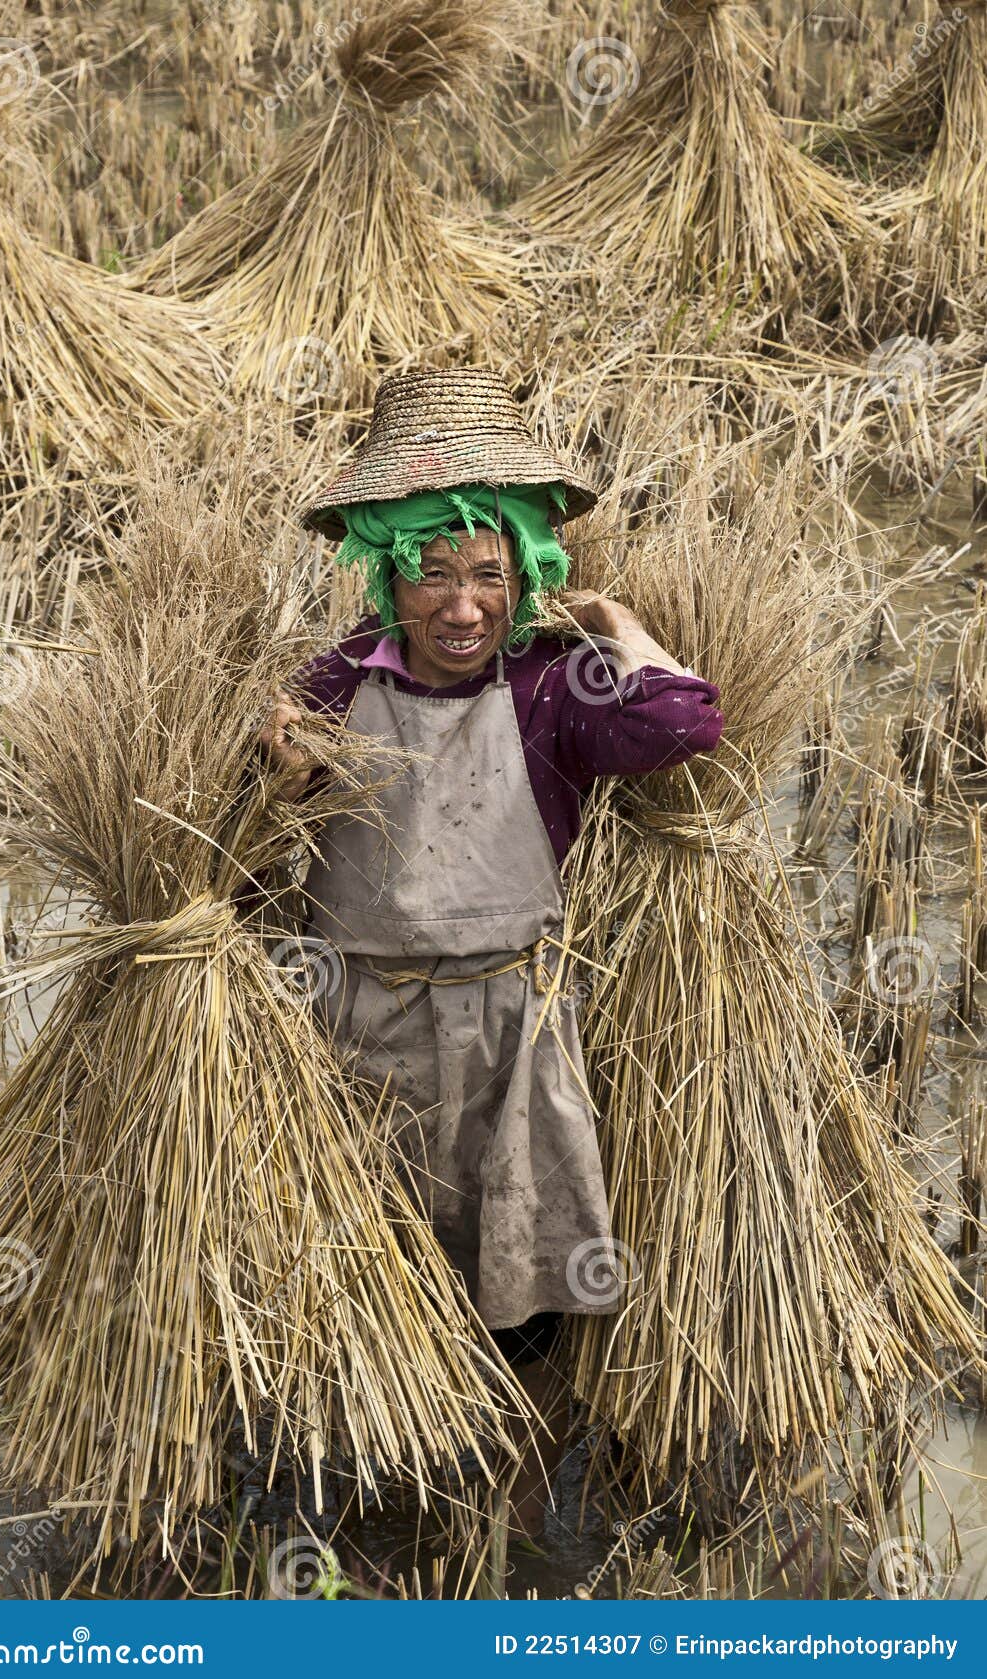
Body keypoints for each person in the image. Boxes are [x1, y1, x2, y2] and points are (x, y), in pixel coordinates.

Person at [261, 367, 724, 1539]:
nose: (461, 604)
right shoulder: (334, 681)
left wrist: (609, 622)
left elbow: (684, 724)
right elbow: (251, 848)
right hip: (357, 1027)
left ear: (526, 576)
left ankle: (509, 1487)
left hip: (509, 1026)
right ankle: (393, 1471)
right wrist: (278, 782)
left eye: (489, 572)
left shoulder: (548, 686)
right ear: (386, 574)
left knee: (520, 1269)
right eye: (431, 570)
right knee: (380, 1256)